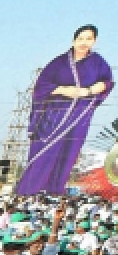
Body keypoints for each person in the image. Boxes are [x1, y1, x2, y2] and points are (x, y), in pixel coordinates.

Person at [17, 25, 113, 195]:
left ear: (94, 41)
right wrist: (63, 89)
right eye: (81, 38)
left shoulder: (98, 63)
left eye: (89, 39)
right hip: (52, 117)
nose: (84, 43)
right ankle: (28, 193)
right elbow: (40, 87)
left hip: (79, 117)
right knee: (43, 154)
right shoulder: (58, 63)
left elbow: (107, 83)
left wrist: (88, 91)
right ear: (74, 40)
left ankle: (54, 192)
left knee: (68, 154)